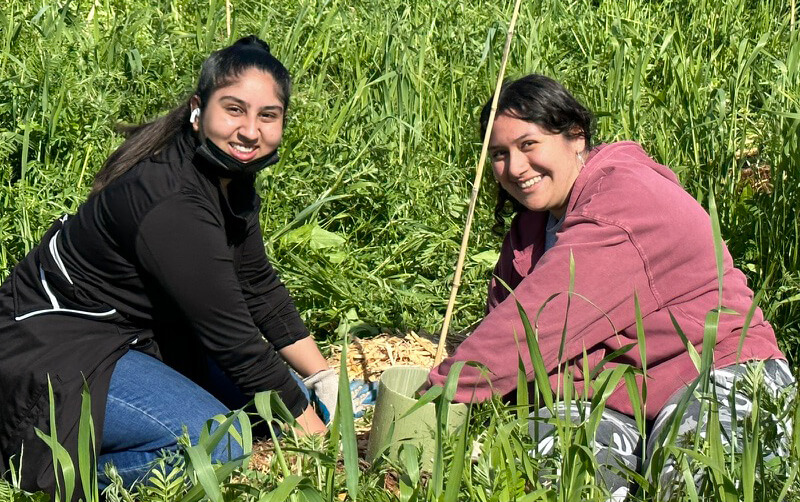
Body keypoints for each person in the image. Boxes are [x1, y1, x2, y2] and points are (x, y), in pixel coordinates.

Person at [0, 36, 343, 496]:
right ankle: (54, 467)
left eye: (268, 116)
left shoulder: (225, 175)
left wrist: (321, 380)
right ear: (199, 109)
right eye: (234, 110)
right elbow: (234, 339)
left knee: (265, 408)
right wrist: (318, 437)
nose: (250, 131)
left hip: (129, 334)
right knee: (224, 443)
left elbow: (257, 284)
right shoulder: (171, 201)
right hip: (56, 349)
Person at [428, 74, 793, 497]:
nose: (514, 167)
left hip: (714, 370)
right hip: (615, 395)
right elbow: (514, 342)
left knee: (697, 476)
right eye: (499, 154)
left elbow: (530, 329)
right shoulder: (529, 232)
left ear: (576, 137)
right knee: (559, 468)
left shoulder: (625, 199)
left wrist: (434, 395)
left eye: (528, 145)